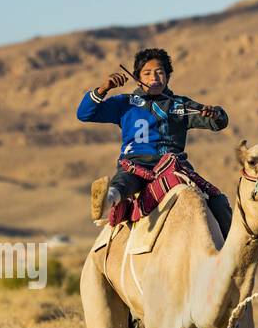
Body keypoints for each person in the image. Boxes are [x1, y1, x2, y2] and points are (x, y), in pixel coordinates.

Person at [77, 48, 233, 235]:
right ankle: (106, 200)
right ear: (136, 77)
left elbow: (218, 123)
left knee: (217, 200)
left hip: (174, 165)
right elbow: (84, 113)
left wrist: (216, 113)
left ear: (167, 77)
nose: (154, 77)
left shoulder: (180, 105)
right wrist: (104, 89)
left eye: (160, 72)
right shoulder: (124, 103)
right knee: (123, 184)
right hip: (136, 164)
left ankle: (230, 252)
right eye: (147, 73)